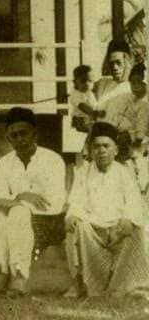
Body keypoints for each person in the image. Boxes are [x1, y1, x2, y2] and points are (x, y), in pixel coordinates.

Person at [0, 107, 67, 297]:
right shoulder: (5, 162)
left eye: (24, 133)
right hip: (16, 216)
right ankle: (3, 273)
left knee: (17, 213)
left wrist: (16, 202)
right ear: (8, 138)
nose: (20, 139)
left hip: (47, 219)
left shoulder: (52, 159)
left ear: (34, 134)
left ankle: (19, 275)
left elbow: (54, 200)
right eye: (14, 135)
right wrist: (21, 197)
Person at [64, 122, 149, 298]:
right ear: (91, 150)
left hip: (118, 229)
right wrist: (72, 215)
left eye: (106, 146)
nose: (101, 150)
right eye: (96, 146)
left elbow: (134, 201)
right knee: (77, 227)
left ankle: (123, 287)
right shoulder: (83, 172)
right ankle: (84, 284)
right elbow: (75, 202)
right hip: (93, 229)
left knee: (137, 230)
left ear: (115, 150)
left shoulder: (124, 172)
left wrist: (128, 218)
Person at [104, 62, 149, 164]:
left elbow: (142, 123)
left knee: (137, 162)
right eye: (133, 83)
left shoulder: (144, 104)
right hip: (125, 137)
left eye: (141, 83)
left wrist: (138, 139)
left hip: (138, 141)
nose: (136, 86)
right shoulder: (128, 99)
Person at [94, 38, 133, 110]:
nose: (114, 67)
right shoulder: (102, 84)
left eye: (118, 62)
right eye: (111, 63)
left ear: (128, 61)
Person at [69, 64, 99, 134]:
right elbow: (82, 106)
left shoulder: (90, 93)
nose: (87, 84)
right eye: (83, 81)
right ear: (75, 82)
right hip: (80, 121)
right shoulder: (75, 94)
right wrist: (94, 113)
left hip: (90, 119)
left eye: (90, 81)